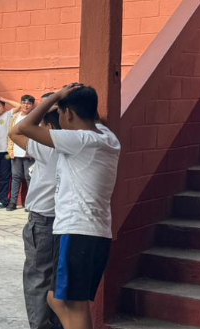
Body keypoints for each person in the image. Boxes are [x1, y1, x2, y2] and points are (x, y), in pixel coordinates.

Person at [14, 83, 120, 329]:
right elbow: (95, 120)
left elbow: (23, 127)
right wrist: (62, 101)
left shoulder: (78, 139)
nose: (59, 119)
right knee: (73, 302)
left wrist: (56, 97)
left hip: (76, 231)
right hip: (96, 233)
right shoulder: (107, 137)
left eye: (60, 113)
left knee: (61, 301)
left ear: (69, 114)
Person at [9, 92, 65, 329]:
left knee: (38, 280)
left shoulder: (48, 146)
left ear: (49, 126)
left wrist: (51, 101)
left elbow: (16, 131)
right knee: (57, 281)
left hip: (43, 220)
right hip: (65, 220)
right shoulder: (82, 143)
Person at [6, 95, 37, 211]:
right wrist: (10, 149)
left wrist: (32, 150)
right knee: (15, 178)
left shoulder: (35, 118)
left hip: (29, 154)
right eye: (24, 103)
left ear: (33, 106)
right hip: (16, 153)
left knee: (30, 178)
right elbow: (10, 133)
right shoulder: (15, 117)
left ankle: (30, 204)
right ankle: (13, 203)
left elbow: (36, 135)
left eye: (29, 103)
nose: (26, 105)